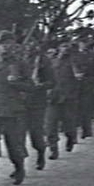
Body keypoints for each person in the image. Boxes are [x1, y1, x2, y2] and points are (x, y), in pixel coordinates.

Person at [0, 30, 33, 186]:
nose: (6, 47)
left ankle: (19, 168)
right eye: (3, 44)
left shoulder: (20, 64)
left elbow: (30, 86)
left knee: (14, 145)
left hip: (13, 110)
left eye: (9, 44)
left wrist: (17, 83)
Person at [23, 35, 55, 170]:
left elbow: (52, 82)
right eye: (27, 44)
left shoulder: (44, 61)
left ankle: (40, 153)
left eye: (33, 44)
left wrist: (40, 86)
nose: (30, 47)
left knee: (36, 133)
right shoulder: (18, 59)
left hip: (36, 102)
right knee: (17, 137)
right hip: (19, 102)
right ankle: (19, 166)